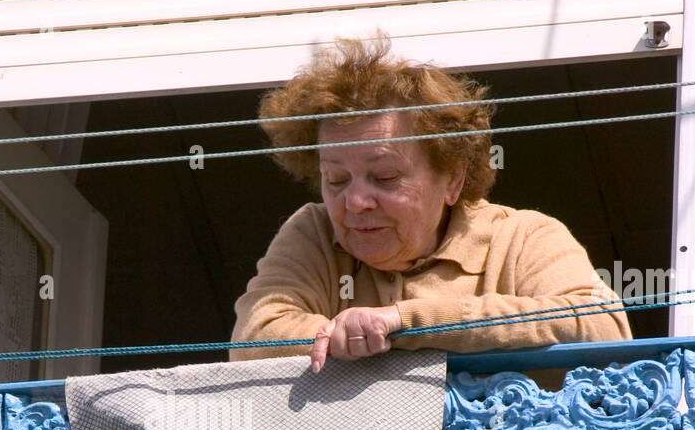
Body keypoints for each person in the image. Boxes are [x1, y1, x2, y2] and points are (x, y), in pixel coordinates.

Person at [231, 35, 630, 373]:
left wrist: (405, 323)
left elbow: (603, 327)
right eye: (335, 179)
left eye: (384, 177)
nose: (354, 201)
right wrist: (347, 335)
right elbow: (254, 337)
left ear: (453, 178)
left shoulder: (524, 236)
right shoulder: (312, 233)